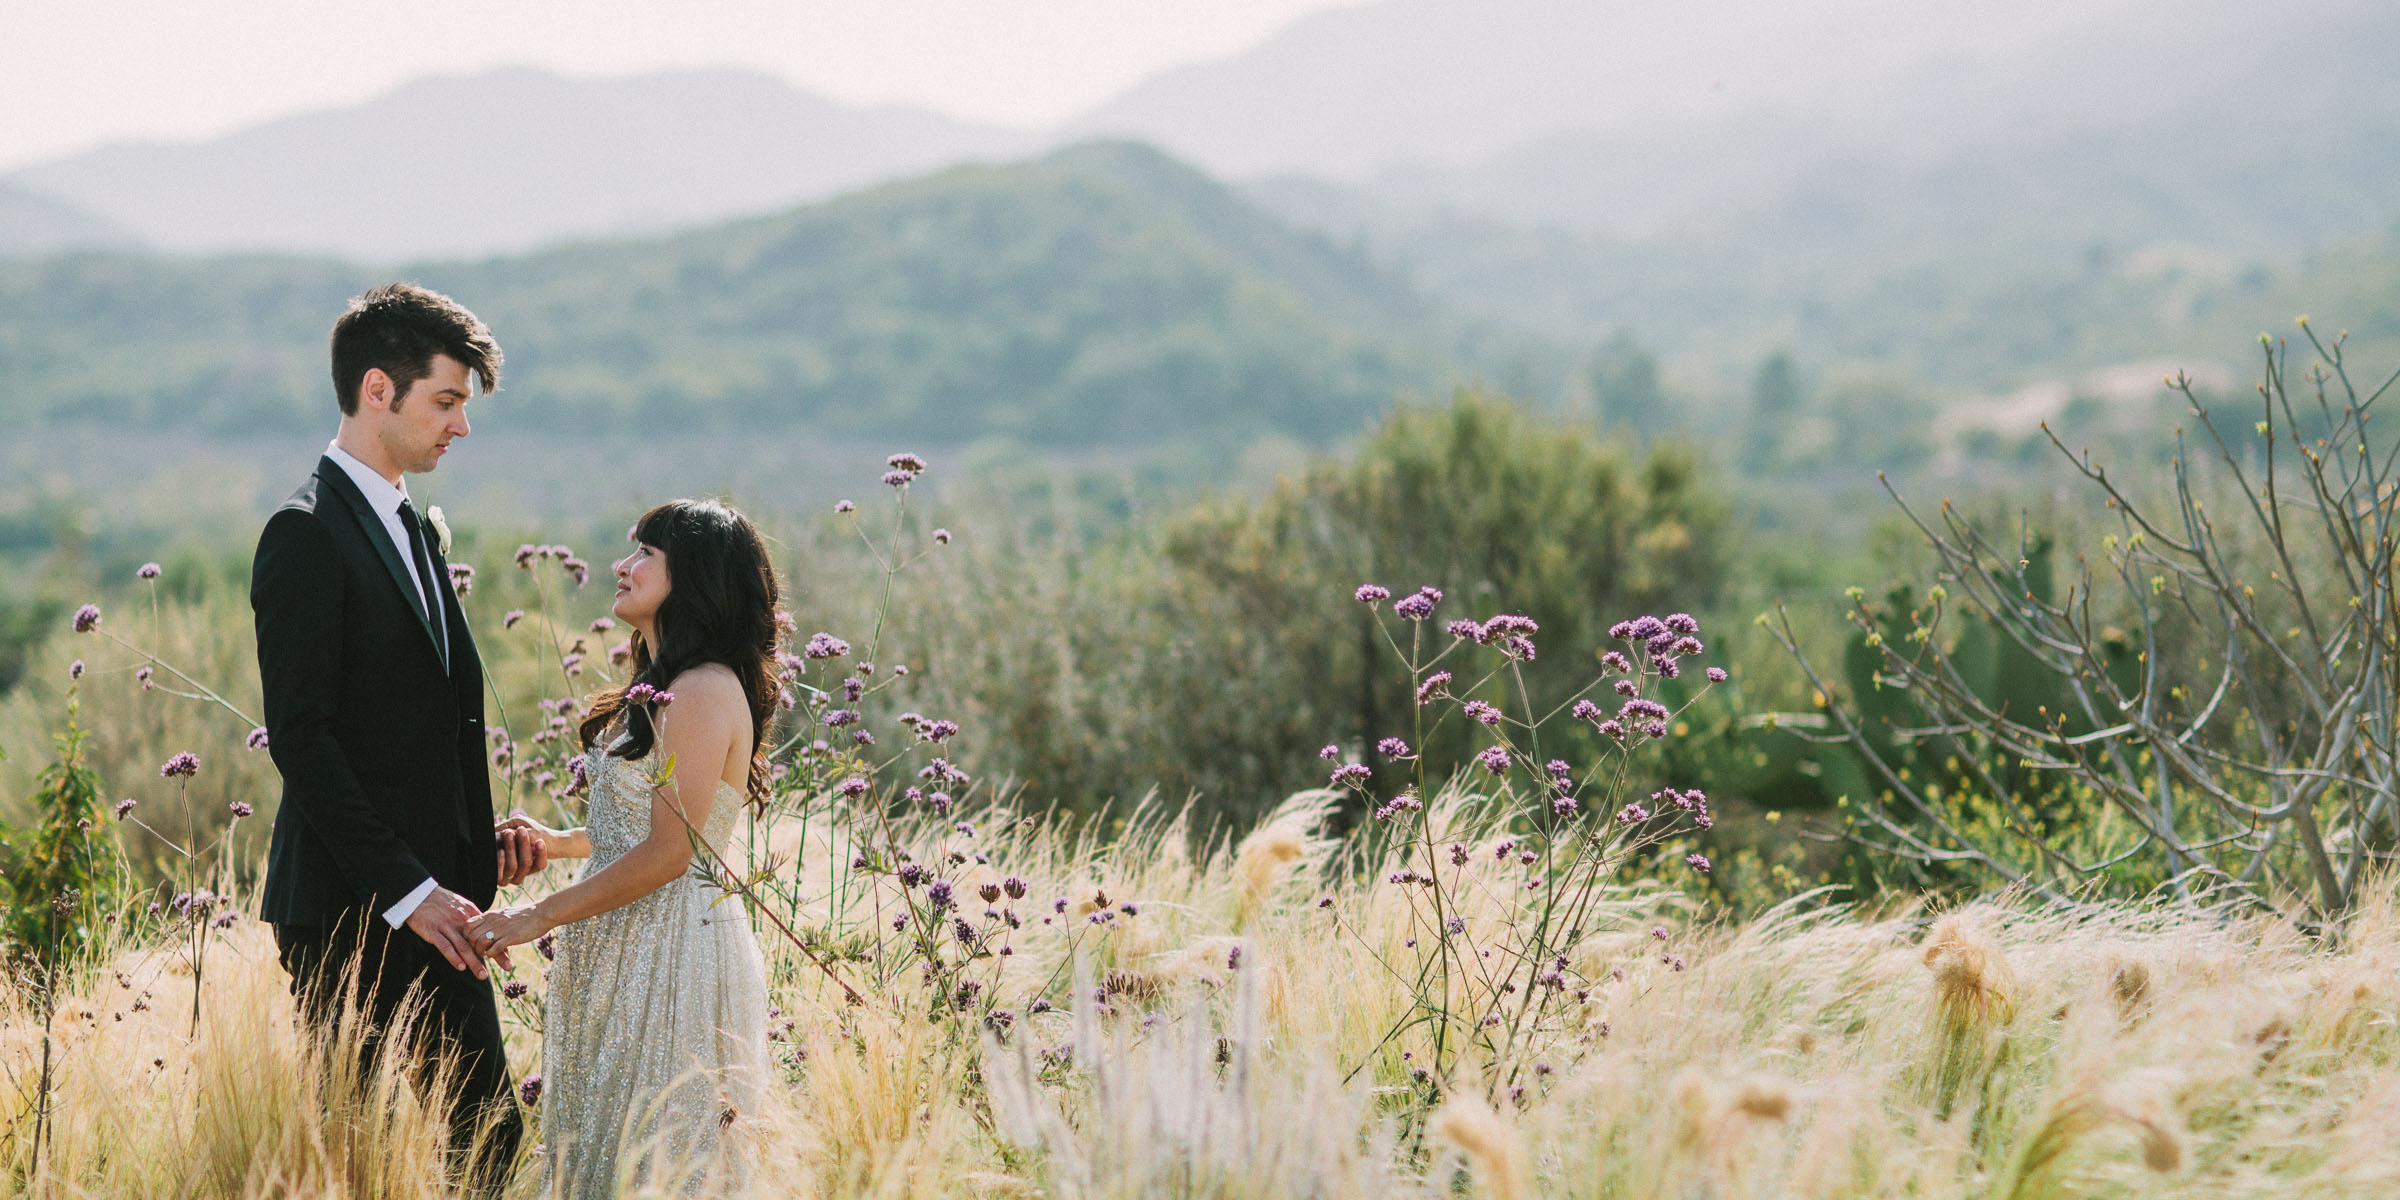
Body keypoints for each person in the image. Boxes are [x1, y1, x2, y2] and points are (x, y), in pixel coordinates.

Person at [251, 282, 546, 1193]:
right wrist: (409, 889)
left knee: (490, 1143)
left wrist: (477, 837)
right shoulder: (303, 535)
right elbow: (303, 740)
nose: (460, 425)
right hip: (349, 912)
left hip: (445, 903)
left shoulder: (415, 525)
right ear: (378, 389)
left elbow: (427, 720)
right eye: (446, 401)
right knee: (364, 1166)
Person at [470, 499, 777, 1197]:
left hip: (672, 955)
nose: (621, 565)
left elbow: (674, 853)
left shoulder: (702, 690)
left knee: (660, 1164)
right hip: (625, 944)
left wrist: (535, 916)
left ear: (693, 578)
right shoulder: (671, 686)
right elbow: (655, 828)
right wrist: (558, 843)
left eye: (645, 553)